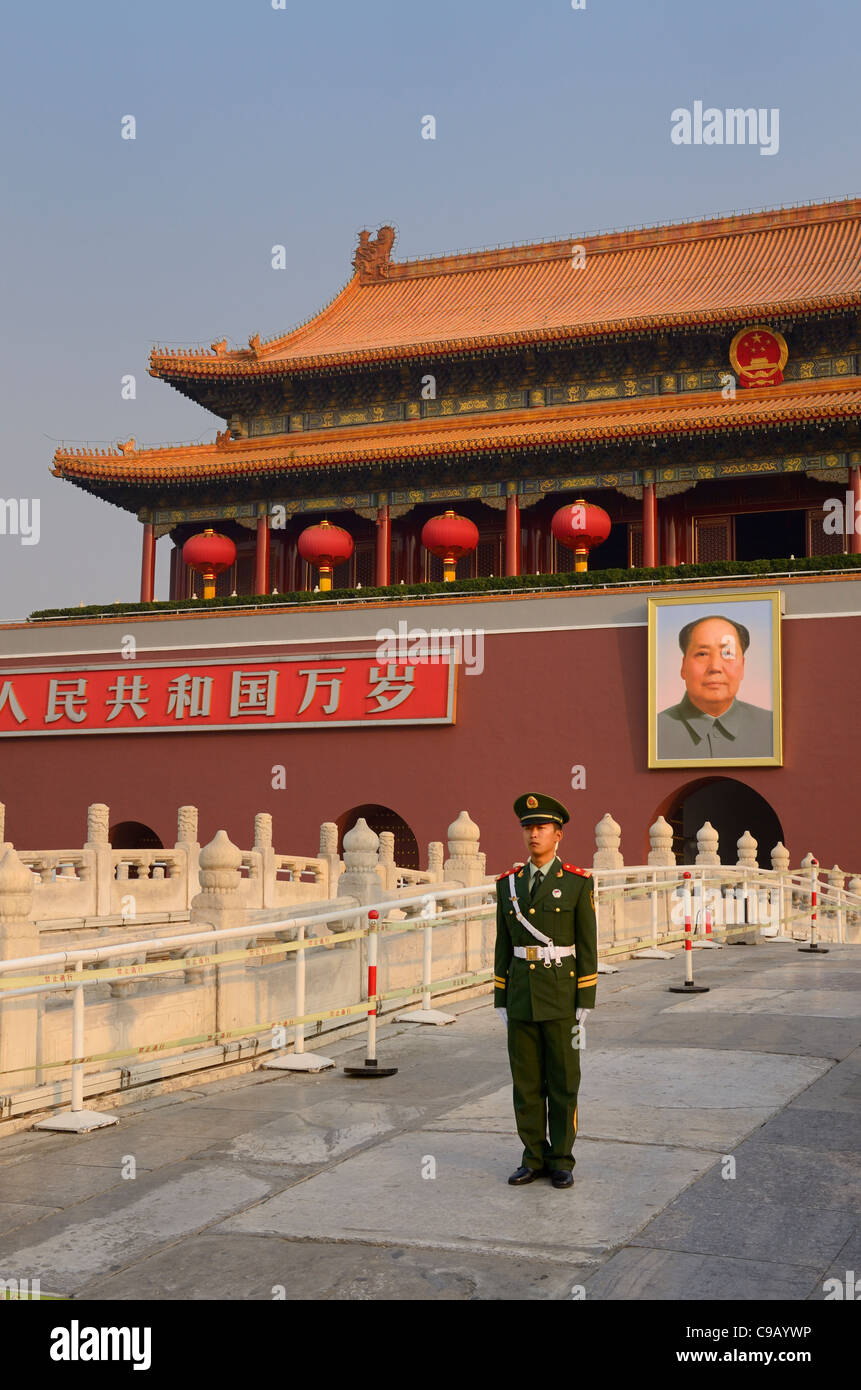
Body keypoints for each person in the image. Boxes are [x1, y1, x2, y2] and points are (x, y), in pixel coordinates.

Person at [494, 793, 598, 1189]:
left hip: (560, 995)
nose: (533, 834)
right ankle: (532, 1156)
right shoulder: (509, 885)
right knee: (526, 1083)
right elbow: (503, 944)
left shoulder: (575, 882)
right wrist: (501, 996)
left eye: (541, 828)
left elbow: (588, 945)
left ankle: (562, 1159)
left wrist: (585, 997)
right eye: (528, 828)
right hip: (521, 995)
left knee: (563, 1082)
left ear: (559, 835)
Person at [656, 614, 773, 759]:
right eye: (702, 654)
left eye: (727, 653)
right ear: (683, 666)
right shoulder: (654, 731)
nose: (715, 667)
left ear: (742, 666)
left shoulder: (772, 727)